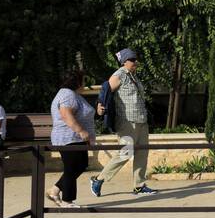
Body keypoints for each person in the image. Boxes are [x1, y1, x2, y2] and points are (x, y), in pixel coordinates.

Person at [90, 49, 158, 197]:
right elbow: (106, 89)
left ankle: (139, 186)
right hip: (127, 121)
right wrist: (99, 105)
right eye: (132, 60)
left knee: (142, 153)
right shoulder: (119, 74)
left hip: (141, 120)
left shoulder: (133, 75)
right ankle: (98, 179)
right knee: (125, 153)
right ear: (124, 62)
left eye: (136, 59)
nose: (135, 62)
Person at [48, 68, 95, 208]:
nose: (84, 82)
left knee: (80, 165)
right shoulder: (67, 94)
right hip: (68, 138)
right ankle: (67, 201)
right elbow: (65, 114)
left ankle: (55, 190)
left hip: (75, 138)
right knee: (71, 167)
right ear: (76, 81)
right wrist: (81, 131)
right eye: (83, 79)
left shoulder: (72, 94)